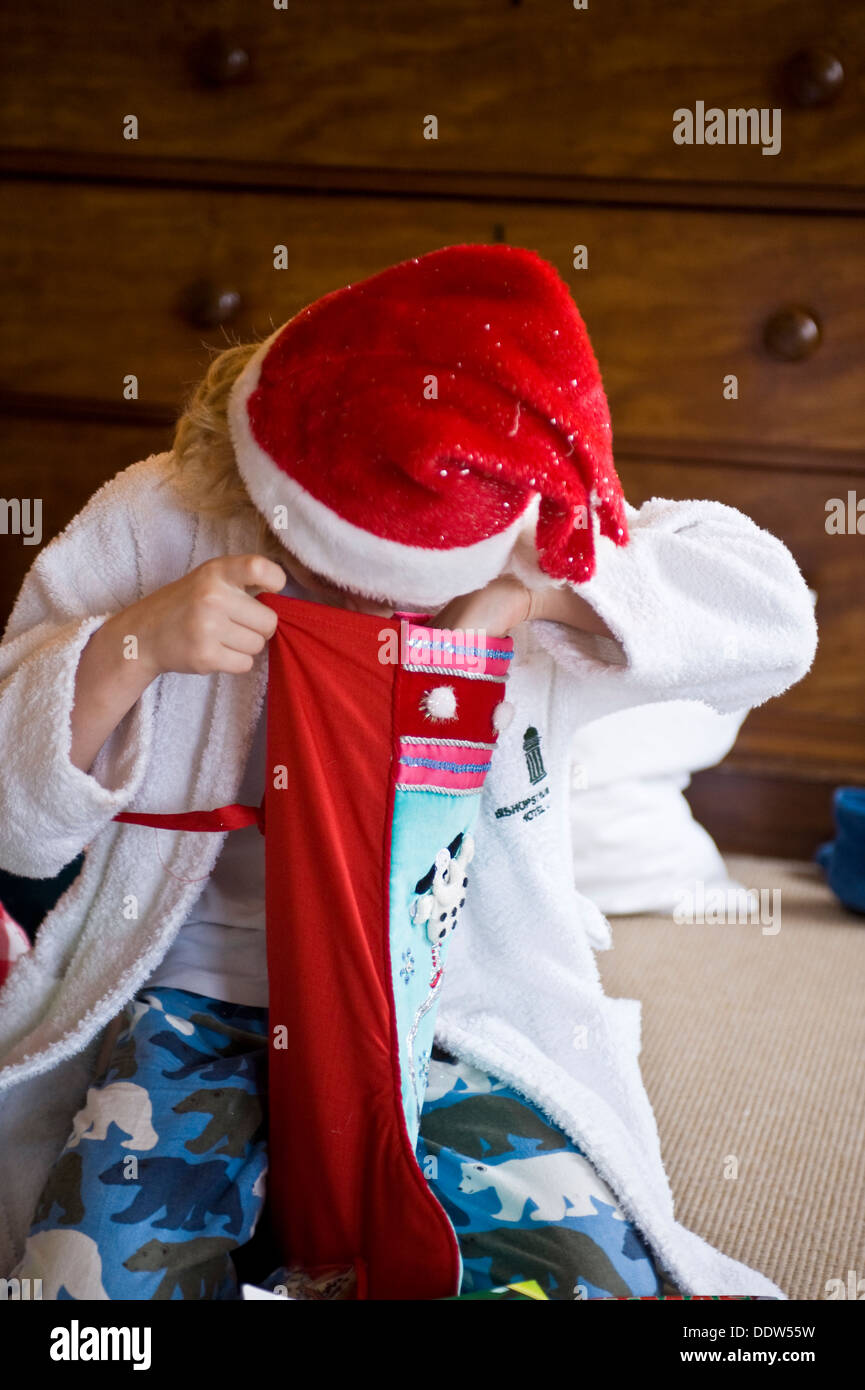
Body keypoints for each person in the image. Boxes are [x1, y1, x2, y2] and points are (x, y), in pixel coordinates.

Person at [0, 243, 816, 1300]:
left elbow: (774, 620)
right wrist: (132, 645)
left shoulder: (539, 549)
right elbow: (17, 823)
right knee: (78, 1297)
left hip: (454, 1014)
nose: (354, 615)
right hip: (191, 1001)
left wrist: (550, 597)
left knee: (586, 1277)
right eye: (320, 576)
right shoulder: (161, 517)